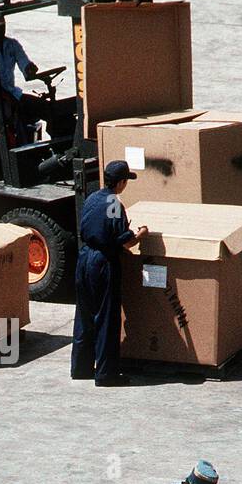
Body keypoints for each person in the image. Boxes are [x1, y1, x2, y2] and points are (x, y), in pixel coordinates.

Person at [71, 160, 148, 386]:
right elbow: (122, 241)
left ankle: (81, 368)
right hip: (103, 261)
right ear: (122, 182)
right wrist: (139, 234)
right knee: (106, 318)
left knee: (85, 315)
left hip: (84, 258)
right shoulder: (114, 203)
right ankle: (106, 374)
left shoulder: (92, 198)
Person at [0, 16, 46, 142]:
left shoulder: (12, 44)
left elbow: (24, 63)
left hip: (12, 93)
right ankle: (22, 150)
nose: (1, 29)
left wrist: (29, 68)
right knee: (16, 111)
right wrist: (12, 100)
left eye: (3, 25)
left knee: (44, 106)